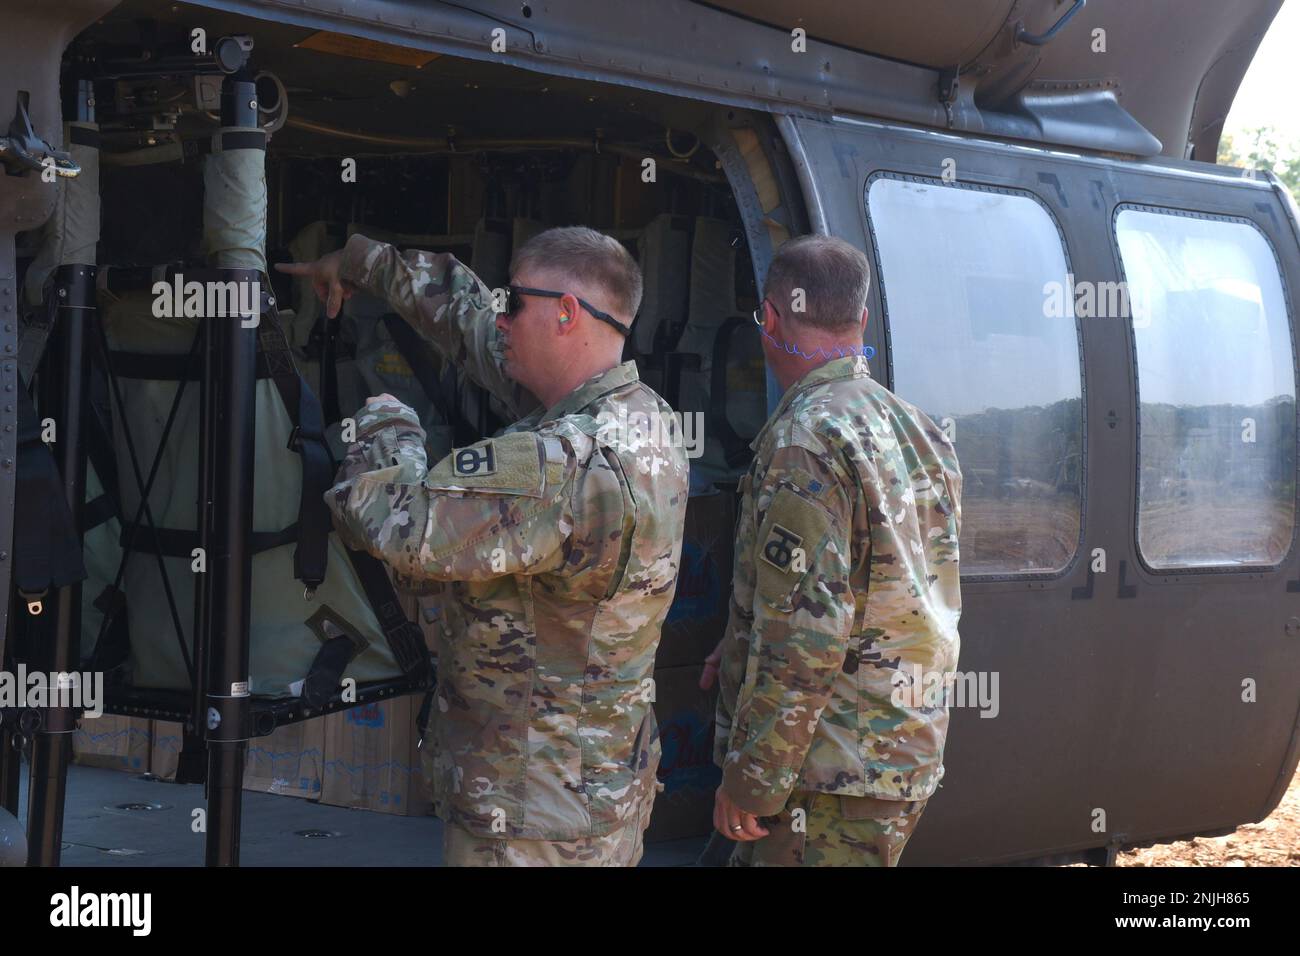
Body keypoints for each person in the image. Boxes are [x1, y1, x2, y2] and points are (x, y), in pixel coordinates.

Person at [277, 226, 689, 866]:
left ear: (566, 313)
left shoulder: (559, 463)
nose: (499, 319)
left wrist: (387, 426)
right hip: (597, 793)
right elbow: (475, 331)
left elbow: (394, 520)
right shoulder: (645, 419)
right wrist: (367, 263)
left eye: (513, 304)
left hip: (527, 819)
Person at [699, 234, 962, 867]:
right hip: (896, 754)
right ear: (861, 319)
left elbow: (805, 637)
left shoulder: (805, 440)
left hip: (826, 775)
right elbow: (893, 584)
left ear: (769, 316)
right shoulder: (916, 428)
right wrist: (738, 640)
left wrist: (753, 782)